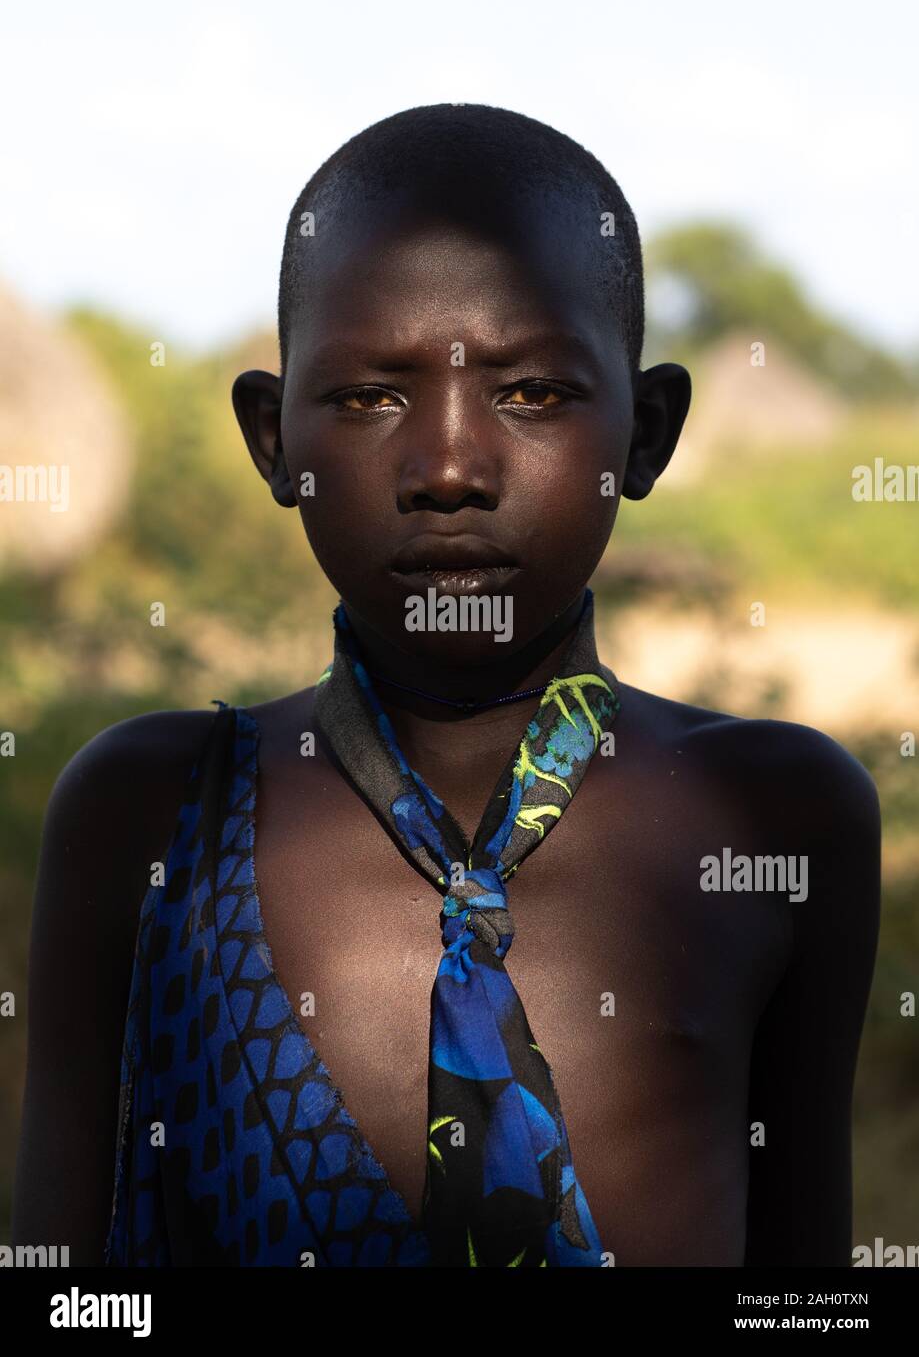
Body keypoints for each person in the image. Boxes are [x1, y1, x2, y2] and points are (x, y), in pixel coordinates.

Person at [12, 103, 881, 1267]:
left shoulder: (777, 813)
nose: (451, 467)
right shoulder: (150, 813)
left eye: (532, 394)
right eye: (372, 397)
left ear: (649, 433)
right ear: (275, 442)